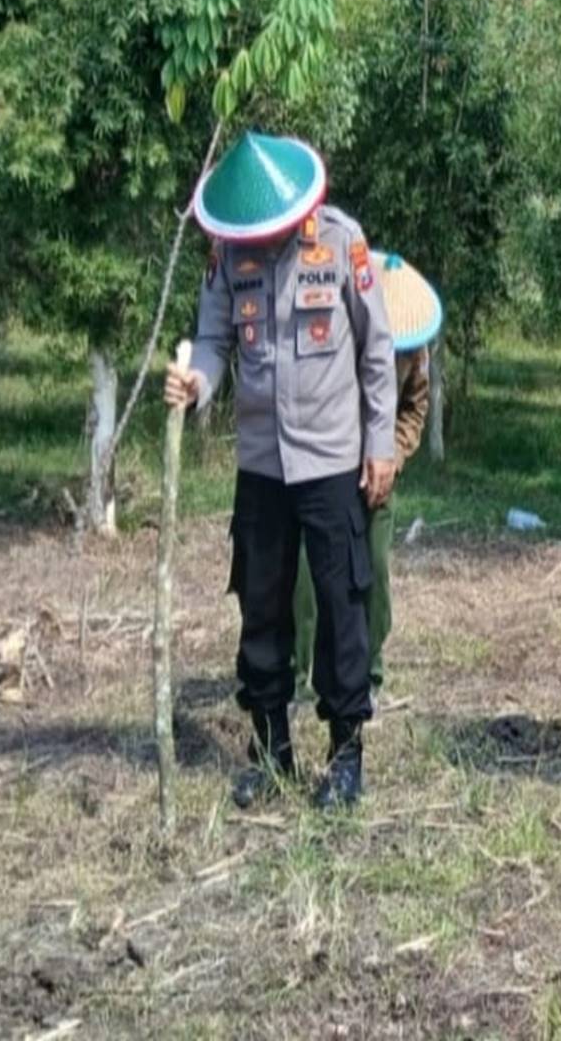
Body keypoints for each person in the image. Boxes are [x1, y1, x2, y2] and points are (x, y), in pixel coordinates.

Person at [164, 132, 396, 810]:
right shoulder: (229, 252)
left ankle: (346, 756)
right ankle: (271, 753)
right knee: (261, 605)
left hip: (331, 462)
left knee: (340, 605)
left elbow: (377, 350)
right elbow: (212, 341)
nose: (267, 241)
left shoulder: (342, 242)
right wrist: (195, 385)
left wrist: (379, 443)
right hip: (262, 465)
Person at [292, 253, 440, 700]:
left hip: (378, 477)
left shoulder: (414, 351)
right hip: (323, 467)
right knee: (303, 578)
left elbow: (414, 409)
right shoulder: (334, 334)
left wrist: (391, 456)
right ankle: (296, 679)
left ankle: (367, 674)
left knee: (372, 574)